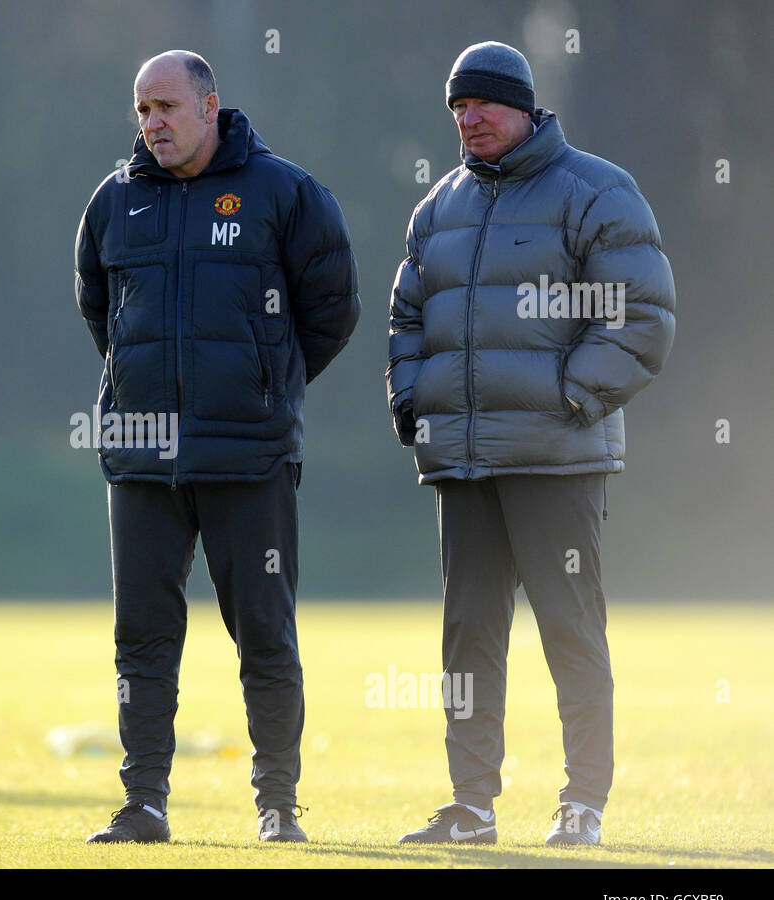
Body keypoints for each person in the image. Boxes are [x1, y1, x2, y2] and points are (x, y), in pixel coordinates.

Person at [386, 41, 675, 845]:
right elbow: (407, 316)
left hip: (558, 456)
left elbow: (643, 313)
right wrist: (411, 401)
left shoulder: (597, 190)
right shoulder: (438, 206)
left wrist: (571, 397)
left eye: (481, 102)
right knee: (468, 641)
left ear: (522, 105)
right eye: (457, 107)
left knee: (570, 632)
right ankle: (471, 807)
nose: (468, 118)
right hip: (462, 462)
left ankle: (583, 803)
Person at [74, 50, 359, 843]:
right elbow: (101, 311)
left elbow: (332, 310)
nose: (152, 123)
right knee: (141, 643)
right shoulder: (113, 201)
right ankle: (143, 804)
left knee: (265, 636)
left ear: (210, 106)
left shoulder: (286, 193)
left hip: (249, 455)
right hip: (141, 456)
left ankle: (277, 805)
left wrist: (265, 386)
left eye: (166, 106)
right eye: (142, 110)